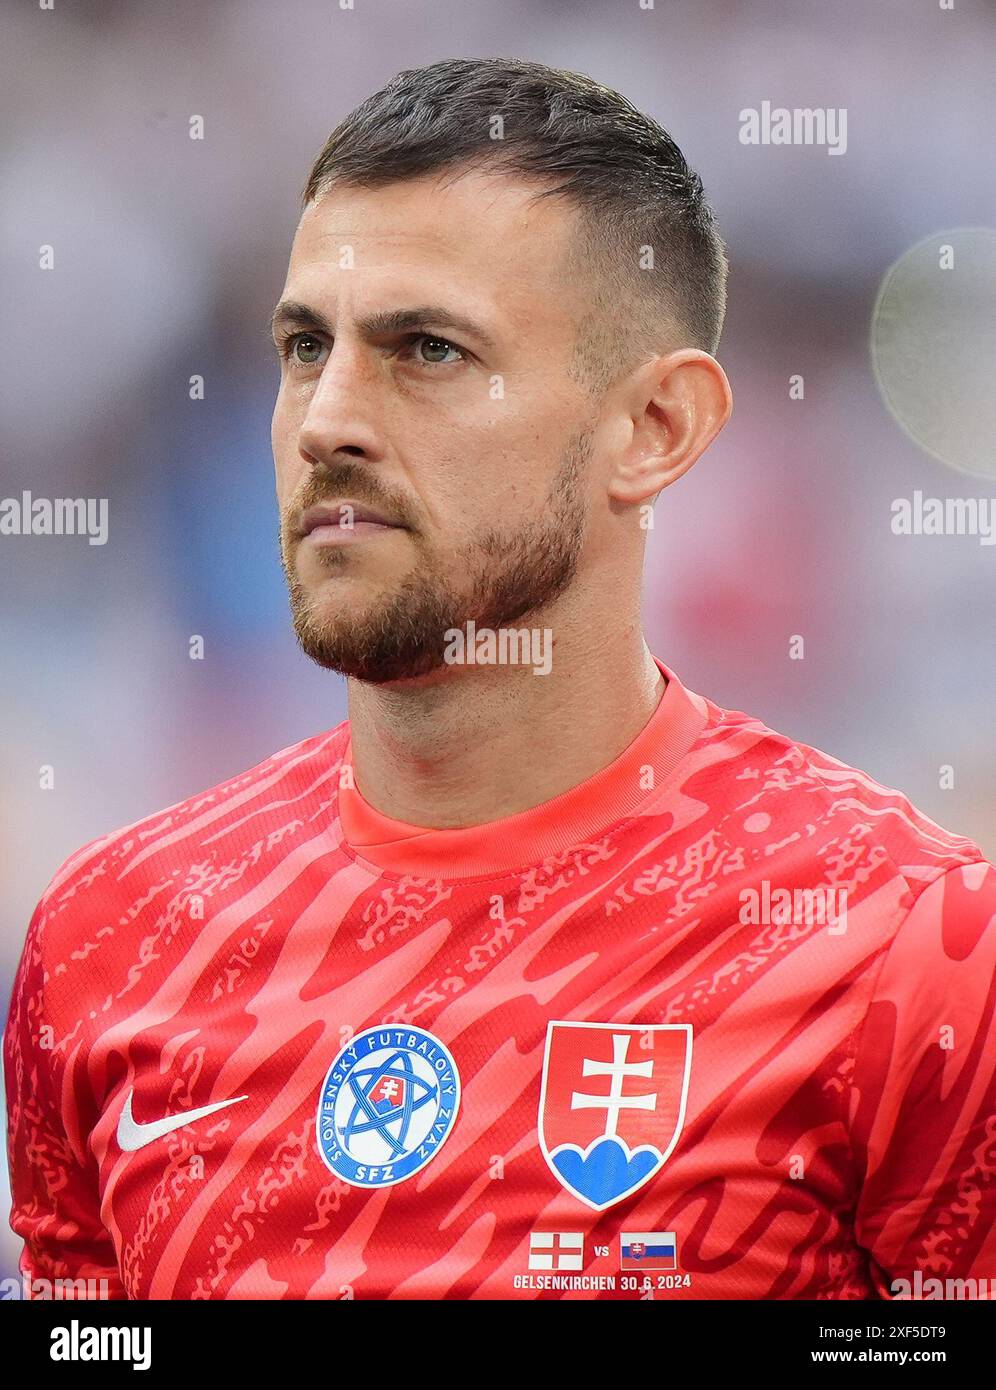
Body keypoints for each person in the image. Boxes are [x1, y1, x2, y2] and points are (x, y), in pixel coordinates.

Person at [5, 57, 994, 1301]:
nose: (326, 419)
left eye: (426, 348)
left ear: (656, 430)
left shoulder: (911, 948)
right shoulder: (111, 936)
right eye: (305, 345)